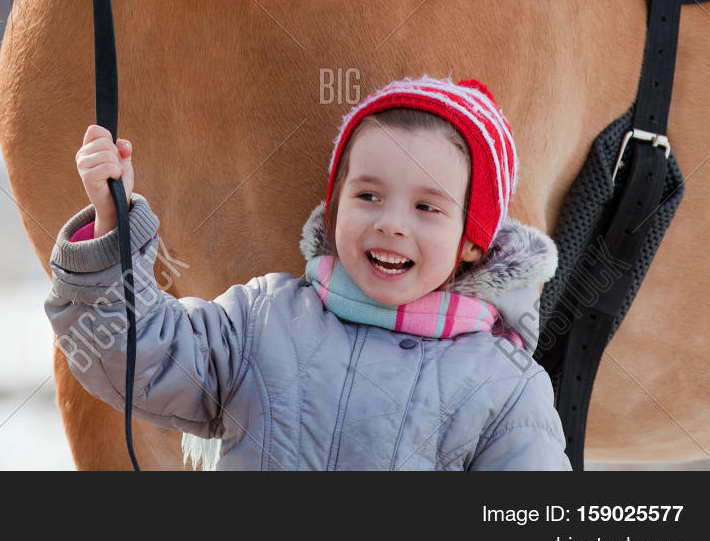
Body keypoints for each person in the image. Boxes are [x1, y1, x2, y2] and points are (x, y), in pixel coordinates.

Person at [45, 74, 571, 470]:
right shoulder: (263, 323)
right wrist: (114, 222)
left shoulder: (503, 388)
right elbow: (133, 353)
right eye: (368, 195)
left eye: (427, 208)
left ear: (473, 241)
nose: (391, 224)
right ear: (336, 207)